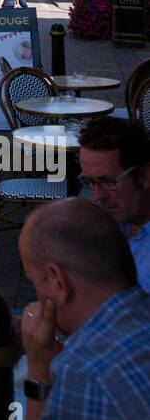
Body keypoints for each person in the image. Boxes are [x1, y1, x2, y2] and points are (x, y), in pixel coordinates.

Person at [17, 198, 150, 420]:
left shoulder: (85, 376)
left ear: (59, 282)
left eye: (35, 281)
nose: (37, 297)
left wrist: (40, 372)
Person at [78, 116, 150, 292]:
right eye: (90, 182)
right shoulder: (109, 224)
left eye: (108, 182)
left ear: (144, 175)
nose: (98, 195)